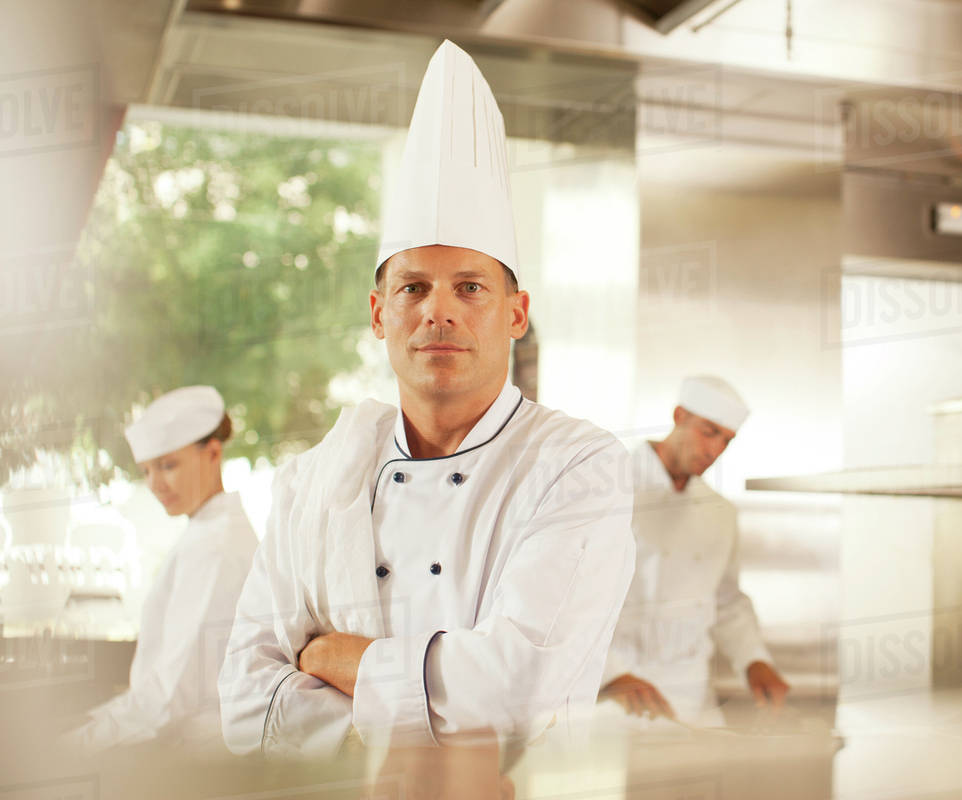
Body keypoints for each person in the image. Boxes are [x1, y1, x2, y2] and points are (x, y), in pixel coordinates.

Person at [218, 40, 635, 759]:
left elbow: (520, 690)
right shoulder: (313, 482)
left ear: (515, 312)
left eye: (470, 286)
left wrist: (332, 659)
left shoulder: (578, 466)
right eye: (413, 287)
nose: (438, 312)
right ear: (380, 313)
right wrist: (434, 713)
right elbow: (243, 705)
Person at [62, 385, 258, 753]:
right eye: (146, 470)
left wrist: (73, 746)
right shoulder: (206, 530)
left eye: (168, 466)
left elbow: (170, 699)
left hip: (188, 755)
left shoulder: (216, 547)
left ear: (212, 453)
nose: (155, 485)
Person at [599, 376, 790, 725]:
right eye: (709, 432)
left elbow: (725, 599)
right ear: (679, 416)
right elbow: (563, 599)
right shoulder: (605, 487)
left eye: (727, 441)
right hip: (616, 695)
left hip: (693, 701)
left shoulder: (719, 512)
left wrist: (754, 660)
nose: (714, 451)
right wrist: (610, 675)